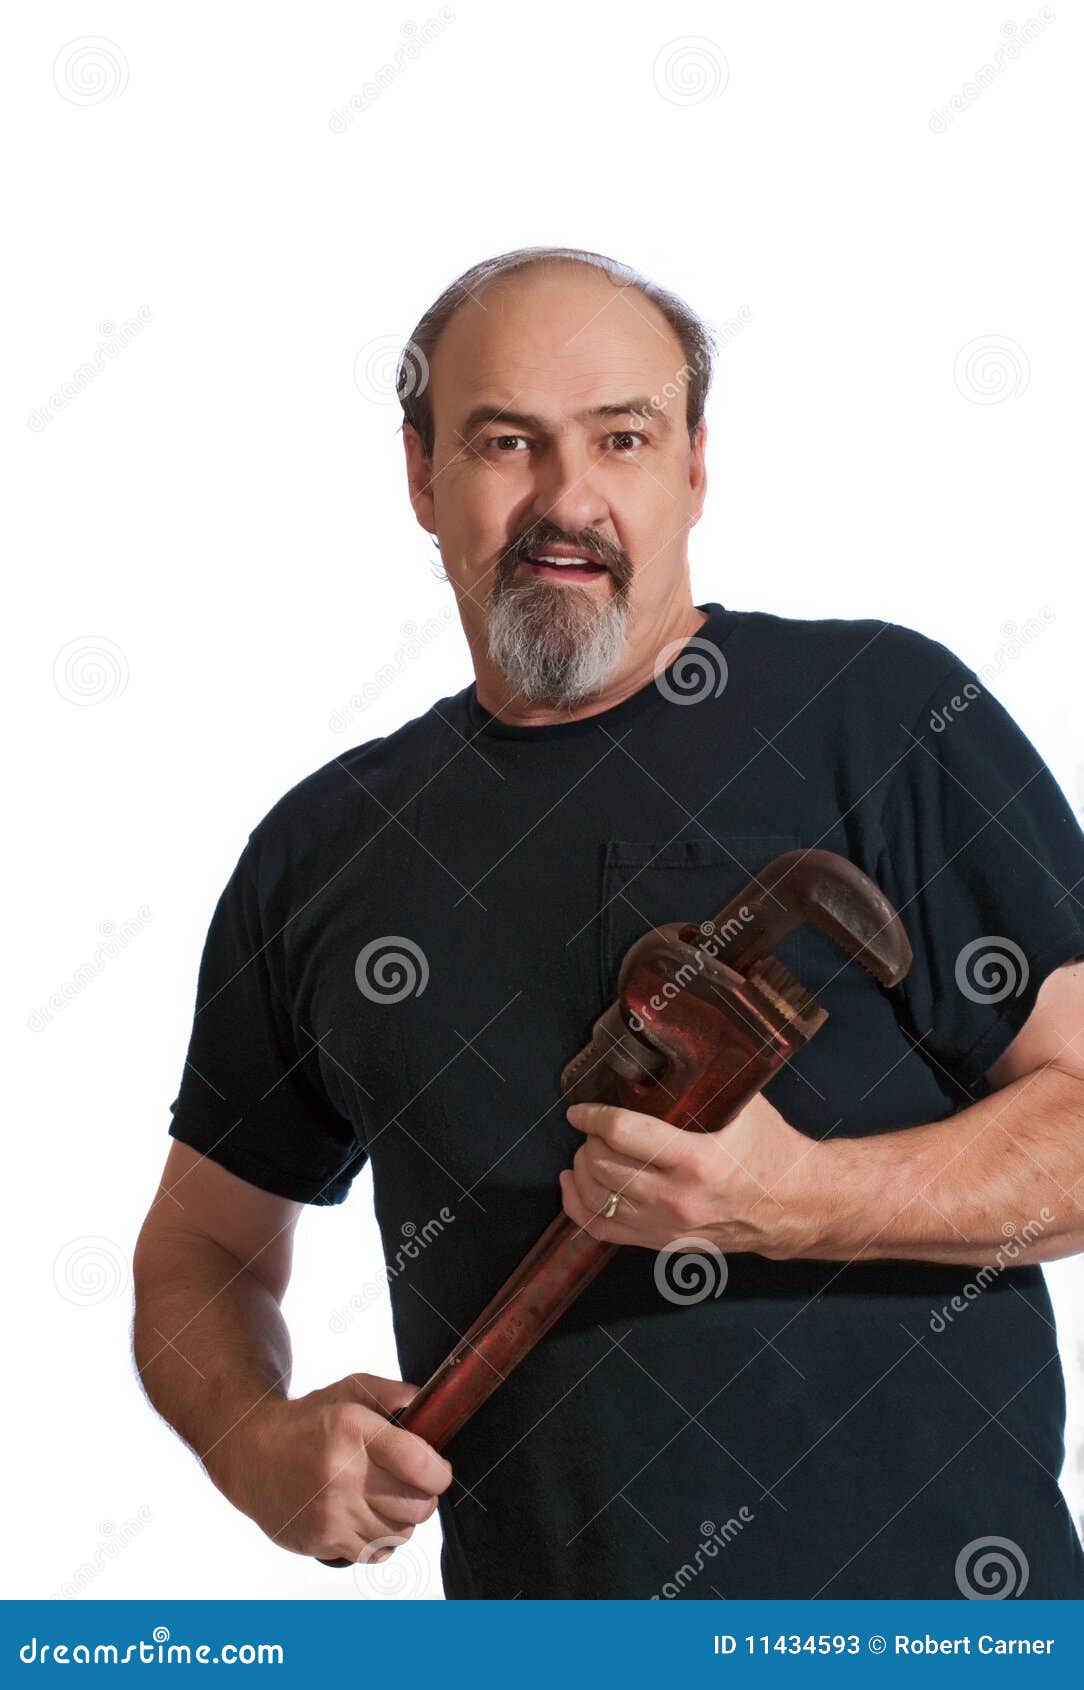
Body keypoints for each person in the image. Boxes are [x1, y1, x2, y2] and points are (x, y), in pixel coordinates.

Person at [132, 247, 1084, 1599]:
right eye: (505, 442)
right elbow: (200, 1248)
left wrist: (806, 1200)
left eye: (621, 438)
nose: (566, 499)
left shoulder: (880, 715)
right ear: (421, 477)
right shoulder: (326, 849)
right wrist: (253, 1436)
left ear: (694, 469)